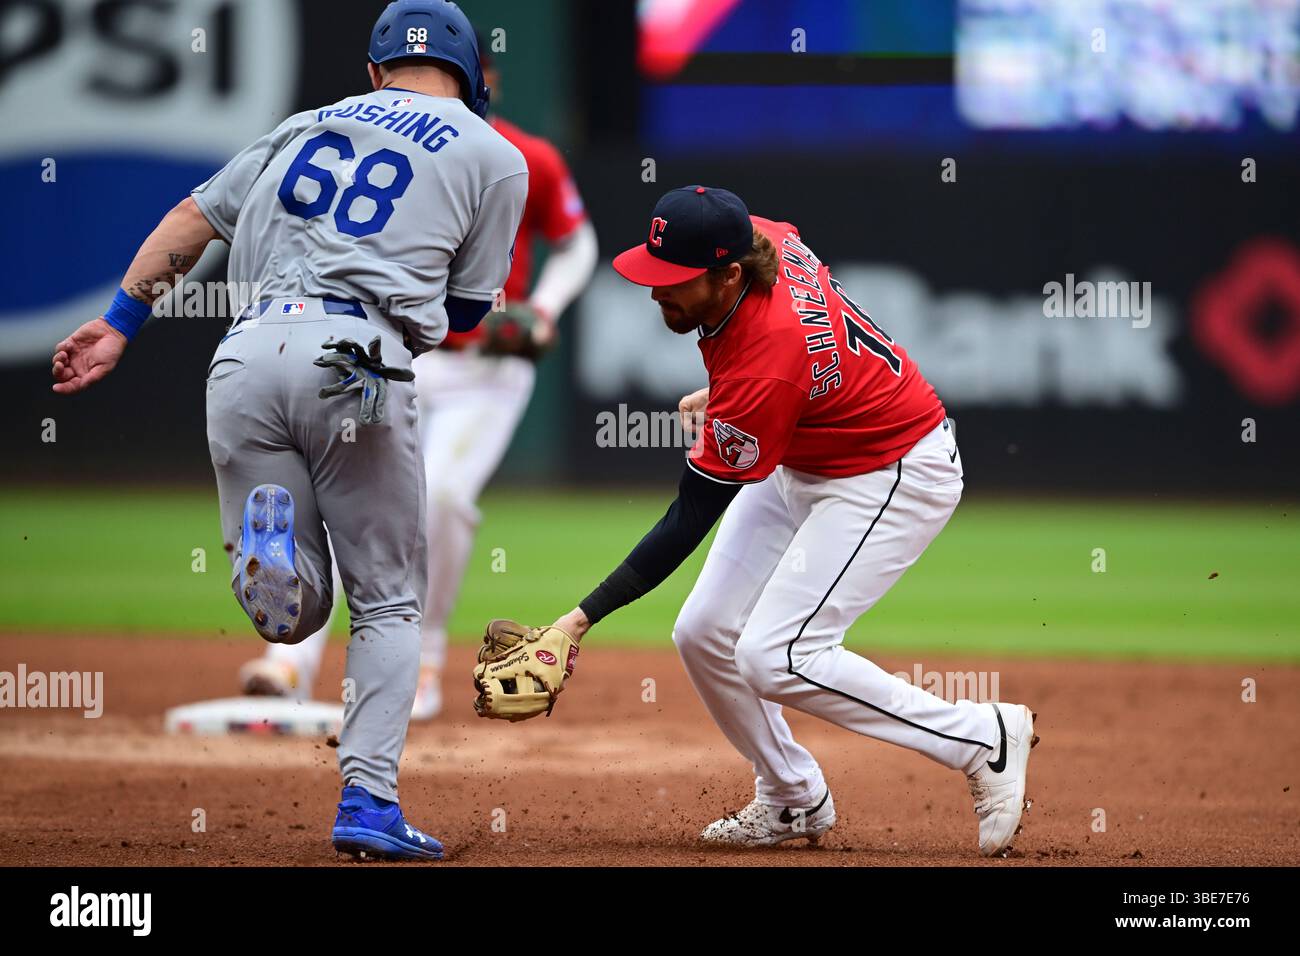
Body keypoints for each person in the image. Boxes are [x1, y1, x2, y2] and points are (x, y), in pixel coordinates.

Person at [50, 0, 526, 861]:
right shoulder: (495, 154)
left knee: (292, 618)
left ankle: (276, 556)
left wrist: (120, 322)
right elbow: (462, 313)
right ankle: (368, 801)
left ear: (375, 72)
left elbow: (192, 220)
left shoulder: (303, 124)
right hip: (358, 361)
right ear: (470, 75)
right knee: (386, 599)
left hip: (246, 355)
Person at [540, 185, 1038, 856]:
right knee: (704, 632)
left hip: (891, 470)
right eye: (654, 274)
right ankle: (793, 799)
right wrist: (738, 392)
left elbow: (689, 517)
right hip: (806, 453)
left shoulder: (762, 371)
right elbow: (799, 327)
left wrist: (577, 621)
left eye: (676, 281)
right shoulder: (762, 238)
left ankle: (980, 737)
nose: (658, 293)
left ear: (730, 274)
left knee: (777, 655)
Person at [237, 41, 598, 722]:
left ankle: (427, 653)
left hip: (487, 369)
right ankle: (291, 660)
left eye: (467, 76)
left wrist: (544, 310)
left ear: (486, 80)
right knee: (351, 500)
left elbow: (578, 240)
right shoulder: (379, 153)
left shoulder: (521, 157)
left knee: (445, 499)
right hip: (395, 354)